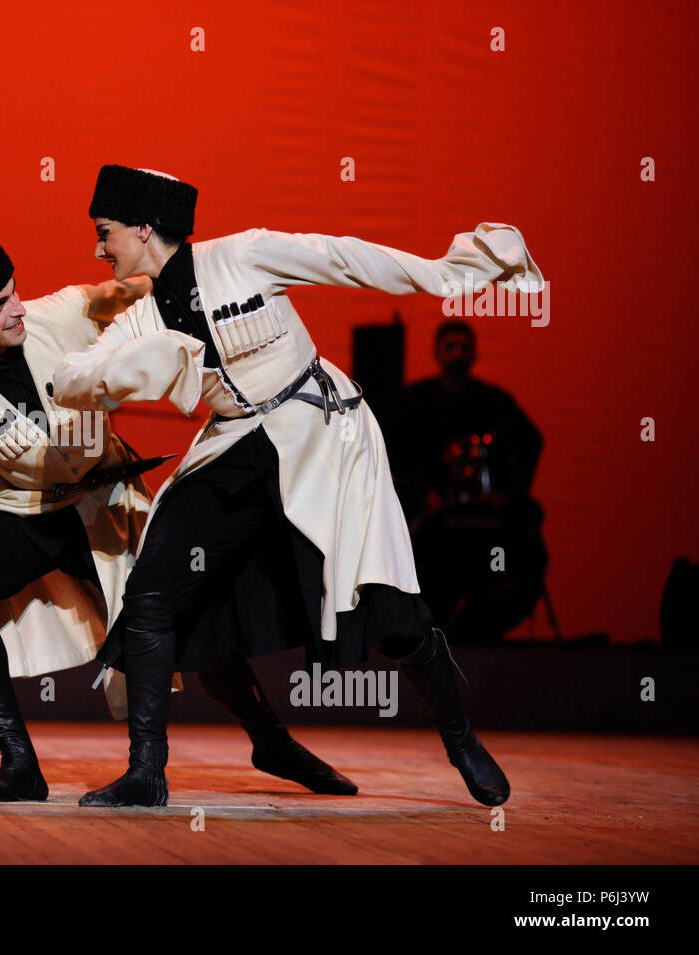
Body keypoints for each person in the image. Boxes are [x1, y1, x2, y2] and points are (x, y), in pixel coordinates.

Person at [53, 164, 545, 807]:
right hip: (234, 449)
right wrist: (135, 365)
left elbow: (347, 258)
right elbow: (71, 377)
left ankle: (460, 739)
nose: (99, 247)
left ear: (144, 229)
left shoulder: (246, 255)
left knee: (391, 614)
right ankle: (149, 773)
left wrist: (448, 274)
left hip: (318, 436)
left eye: (106, 232)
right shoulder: (143, 318)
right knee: (153, 598)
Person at [0, 229, 355, 802]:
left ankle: (269, 739)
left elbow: (131, 290)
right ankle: (19, 764)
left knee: (180, 611)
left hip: (101, 505)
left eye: (13, 292)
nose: (16, 311)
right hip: (21, 511)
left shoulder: (54, 316)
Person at [390, 320, 546, 642]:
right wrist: (421, 494)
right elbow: (390, 454)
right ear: (437, 352)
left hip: (488, 516)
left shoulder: (494, 401)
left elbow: (531, 441)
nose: (458, 354)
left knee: (526, 543)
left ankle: (476, 627)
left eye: (465, 347)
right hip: (431, 516)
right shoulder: (415, 402)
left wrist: (509, 492)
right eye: (451, 347)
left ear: (474, 353)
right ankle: (431, 628)